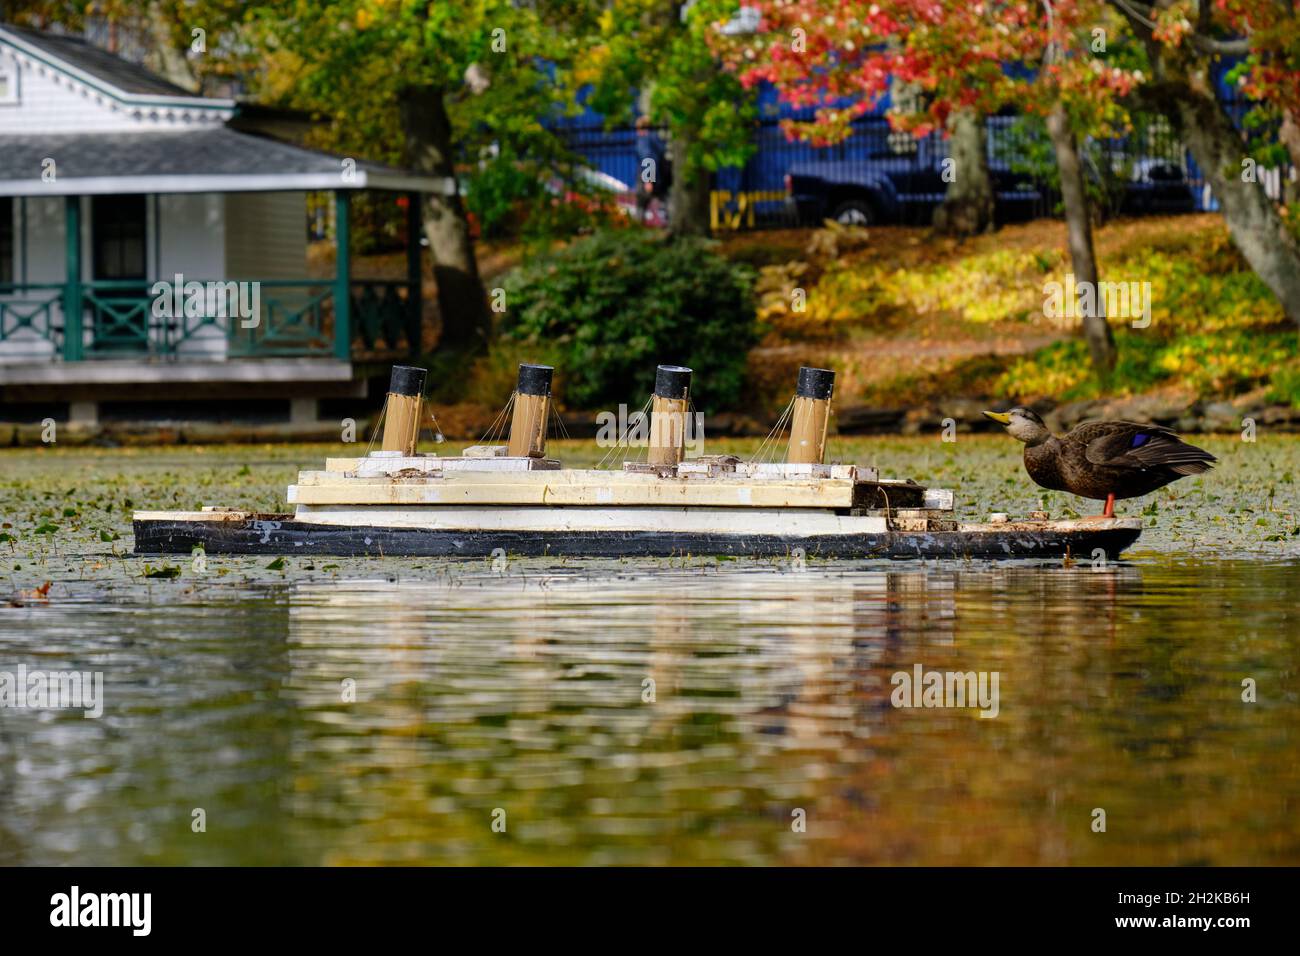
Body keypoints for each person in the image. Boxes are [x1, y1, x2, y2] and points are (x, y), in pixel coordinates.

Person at [634, 116, 671, 224]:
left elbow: (648, 157)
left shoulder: (644, 139)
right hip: (660, 176)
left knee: (641, 205)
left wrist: (648, 179)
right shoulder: (657, 139)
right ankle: (667, 223)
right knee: (664, 202)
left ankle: (637, 229)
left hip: (648, 175)